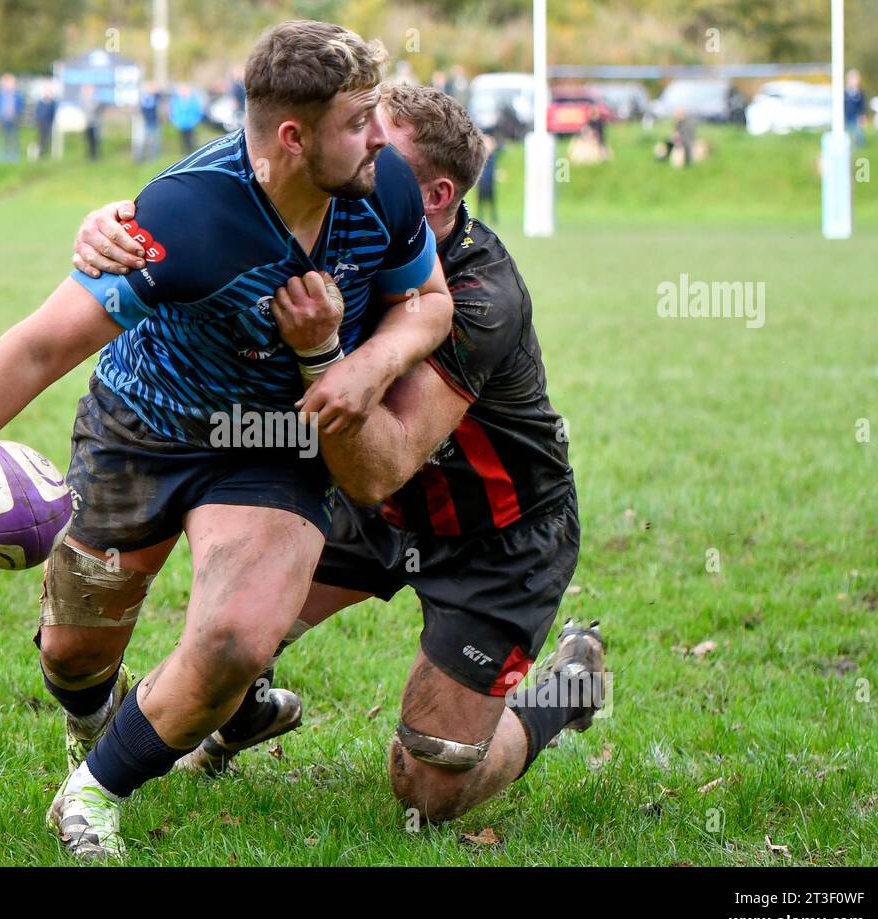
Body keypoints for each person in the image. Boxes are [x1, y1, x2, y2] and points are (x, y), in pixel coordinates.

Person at [0, 20, 452, 860]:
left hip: (272, 446)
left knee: (235, 641)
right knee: (75, 653)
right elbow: (43, 344)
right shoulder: (186, 216)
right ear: (294, 139)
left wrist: (362, 366)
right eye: (358, 119)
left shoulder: (385, 185)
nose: (379, 135)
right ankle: (110, 721)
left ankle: (94, 792)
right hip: (141, 430)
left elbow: (429, 304)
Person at [77, 84, 607, 825]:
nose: (353, 154)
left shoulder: (479, 299)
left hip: (494, 535)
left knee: (429, 790)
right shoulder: (337, 236)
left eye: (376, 145)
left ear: (435, 194)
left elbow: (379, 462)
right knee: (235, 630)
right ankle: (244, 707)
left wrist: (320, 349)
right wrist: (115, 226)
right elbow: (208, 205)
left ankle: (566, 696)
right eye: (351, 134)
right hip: (372, 510)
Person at [0, 73, 23, 163]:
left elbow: (20, 106)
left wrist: (17, 116)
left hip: (14, 119)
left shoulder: (17, 95)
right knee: (3, 138)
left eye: (10, 83)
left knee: (14, 138)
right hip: (3, 119)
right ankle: (3, 156)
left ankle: (14, 156)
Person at [168, 84, 204, 154]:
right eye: (181, 91)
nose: (183, 92)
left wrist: (195, 121)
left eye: (185, 91)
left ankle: (193, 154)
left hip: (191, 124)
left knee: (192, 140)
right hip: (181, 124)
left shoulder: (193, 100)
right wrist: (175, 122)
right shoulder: (176, 101)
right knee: (183, 141)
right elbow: (172, 112)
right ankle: (185, 155)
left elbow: (198, 112)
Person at [135, 82, 163, 162]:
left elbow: (162, 94)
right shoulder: (141, 97)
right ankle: (139, 159)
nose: (150, 90)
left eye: (152, 88)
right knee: (140, 141)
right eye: (149, 88)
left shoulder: (157, 97)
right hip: (143, 123)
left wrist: (156, 91)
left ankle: (153, 158)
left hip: (155, 122)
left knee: (155, 141)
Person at [34, 82, 58, 161]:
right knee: (41, 138)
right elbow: (37, 112)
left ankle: (45, 151)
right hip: (41, 122)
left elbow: (54, 112)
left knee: (48, 138)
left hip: (49, 122)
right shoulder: (41, 102)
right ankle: (40, 152)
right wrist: (37, 120)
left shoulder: (53, 102)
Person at [844, 69, 866, 147]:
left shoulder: (860, 92)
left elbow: (862, 105)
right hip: (847, 116)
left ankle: (860, 146)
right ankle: (849, 145)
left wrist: (862, 115)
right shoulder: (845, 92)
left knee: (858, 132)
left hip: (856, 116)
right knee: (848, 131)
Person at [80, 84, 102, 162]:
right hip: (87, 123)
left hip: (94, 123)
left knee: (95, 140)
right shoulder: (83, 99)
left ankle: (95, 156)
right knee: (88, 140)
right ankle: (90, 154)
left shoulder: (95, 99)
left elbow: (94, 109)